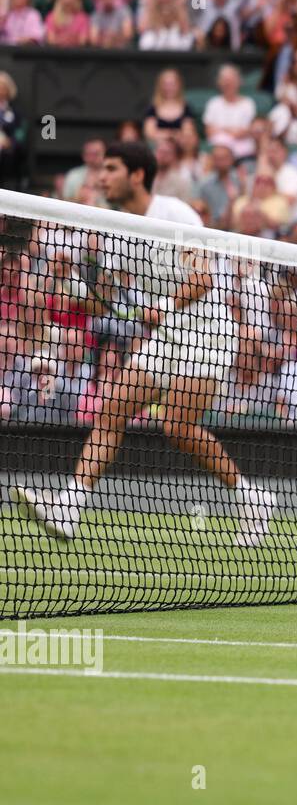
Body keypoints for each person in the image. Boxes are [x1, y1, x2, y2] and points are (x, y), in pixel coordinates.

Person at [8, 142, 277, 546]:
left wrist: (164, 306)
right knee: (112, 409)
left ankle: (251, 497)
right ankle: (69, 508)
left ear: (136, 175)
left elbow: (203, 279)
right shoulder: (117, 228)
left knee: (176, 425)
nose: (101, 177)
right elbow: (109, 289)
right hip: (167, 335)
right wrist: (66, 285)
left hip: (209, 333)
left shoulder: (176, 214)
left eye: (111, 169)